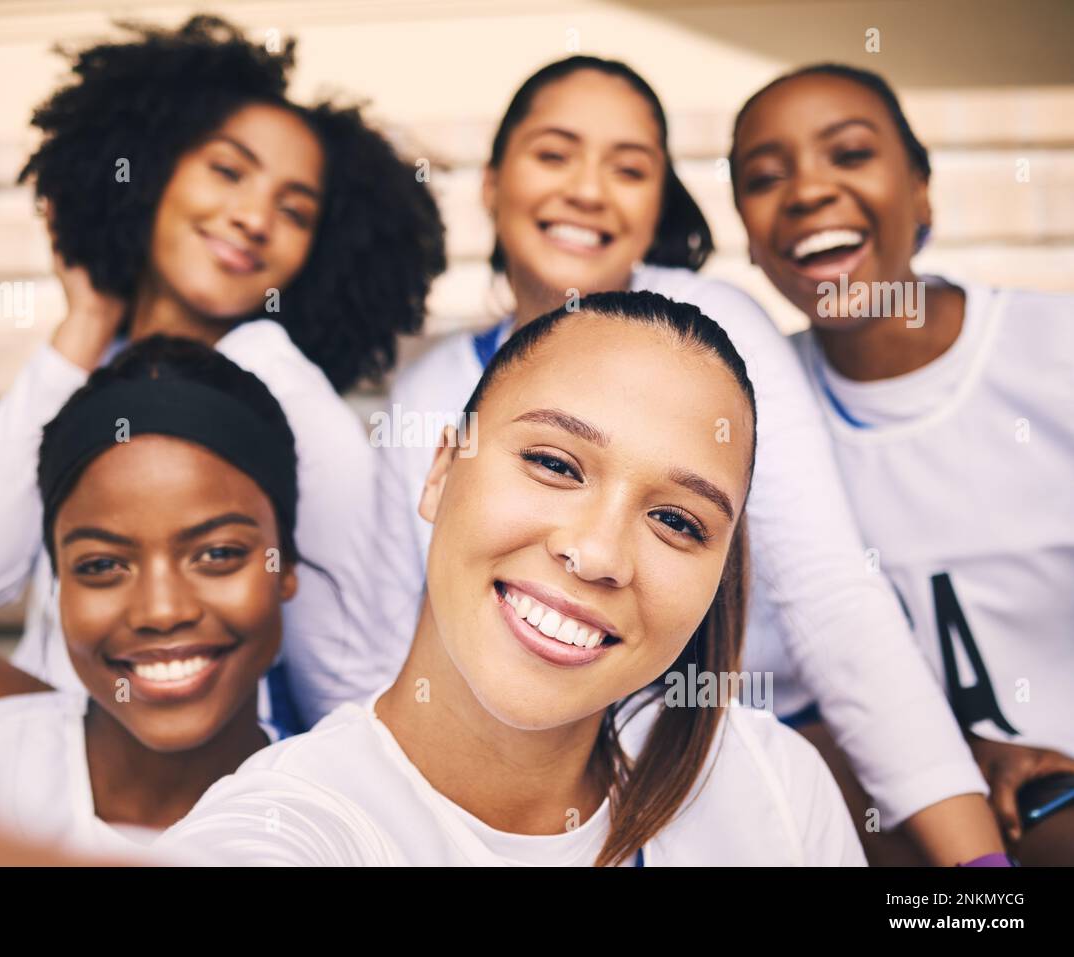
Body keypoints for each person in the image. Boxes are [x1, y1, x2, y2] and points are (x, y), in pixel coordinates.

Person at [373, 54, 1004, 864]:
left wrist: (980, 874)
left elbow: (831, 593)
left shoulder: (719, 336)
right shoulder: (427, 393)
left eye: (629, 168)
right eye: (554, 153)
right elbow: (392, 649)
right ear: (493, 184)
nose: (589, 189)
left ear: (655, 205)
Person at [160, 292, 865, 866]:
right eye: (555, 464)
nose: (595, 553)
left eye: (678, 521)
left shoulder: (776, 786)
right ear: (440, 471)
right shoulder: (287, 831)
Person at [0, 15, 446, 729]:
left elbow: (358, 678)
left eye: (294, 211)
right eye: (226, 171)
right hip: (63, 767)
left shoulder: (277, 381)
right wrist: (86, 323)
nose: (254, 217)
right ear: (151, 171)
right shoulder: (93, 365)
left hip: (188, 786)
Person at [730, 62, 1074, 864]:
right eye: (765, 176)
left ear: (921, 190)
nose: (809, 191)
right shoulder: (752, 411)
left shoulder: (1052, 350)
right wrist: (958, 750)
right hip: (913, 816)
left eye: (849, 154)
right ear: (746, 234)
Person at [0, 337, 305, 855]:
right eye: (101, 565)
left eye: (218, 554)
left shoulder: (344, 827)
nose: (161, 611)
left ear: (285, 566)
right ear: (58, 585)